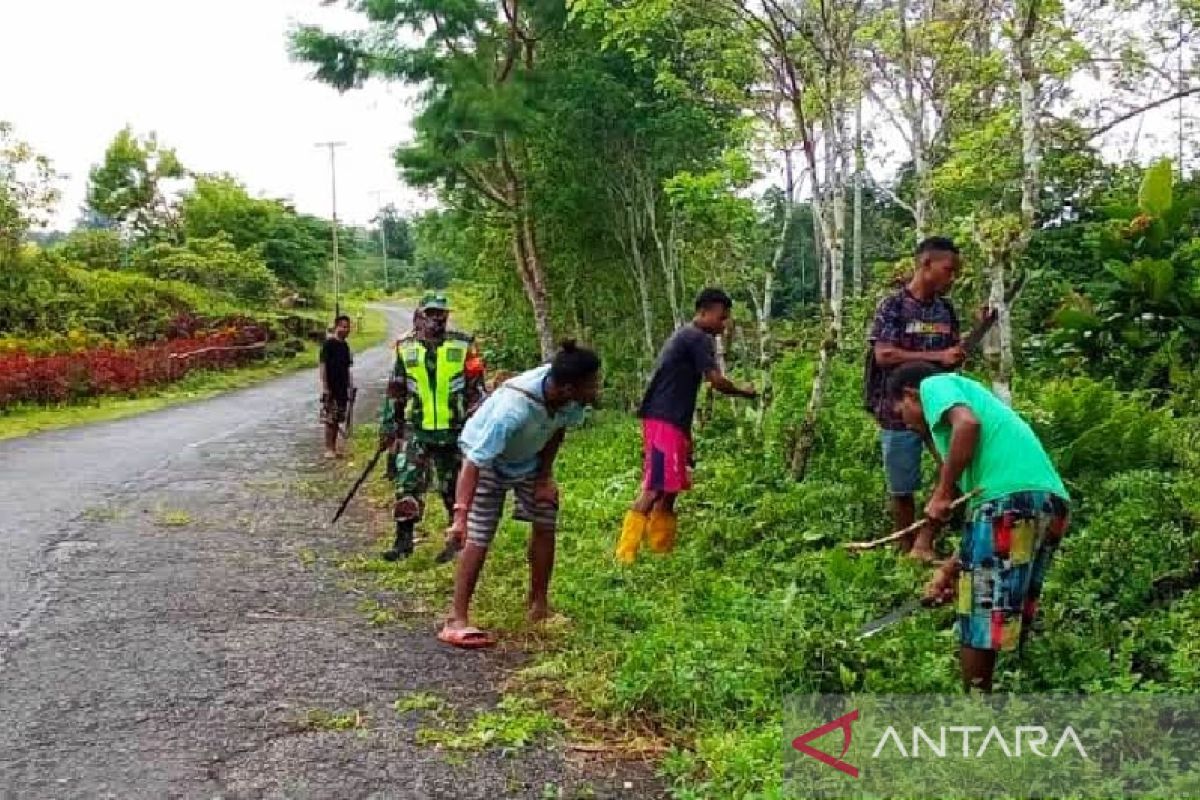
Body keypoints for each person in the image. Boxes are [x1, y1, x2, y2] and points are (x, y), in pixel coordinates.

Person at [887, 361, 1070, 692]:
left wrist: (942, 493)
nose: (907, 425)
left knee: (980, 613)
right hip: (1047, 501)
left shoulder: (935, 385)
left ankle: (976, 707)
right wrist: (953, 567)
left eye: (901, 414)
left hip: (1009, 502)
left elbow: (967, 425)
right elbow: (985, 532)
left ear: (910, 394)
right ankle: (1015, 691)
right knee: (1006, 606)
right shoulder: (979, 445)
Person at [438, 341, 601, 649]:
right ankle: (456, 618)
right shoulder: (512, 410)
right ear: (568, 388)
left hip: (529, 460)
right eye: (592, 384)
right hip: (488, 460)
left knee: (546, 516)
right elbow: (474, 462)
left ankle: (538, 606)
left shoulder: (570, 398)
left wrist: (544, 477)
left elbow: (557, 429)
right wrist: (460, 516)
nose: (596, 389)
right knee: (479, 534)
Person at [616, 288, 757, 564]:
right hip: (662, 420)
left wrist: (686, 435)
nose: (724, 323)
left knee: (671, 486)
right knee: (656, 485)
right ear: (704, 312)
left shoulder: (688, 335)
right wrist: (744, 391)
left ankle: (661, 547)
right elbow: (715, 381)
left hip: (672, 421)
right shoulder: (697, 338)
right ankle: (625, 554)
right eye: (721, 317)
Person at [866, 237, 964, 561]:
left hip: (940, 410)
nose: (952, 278)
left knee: (954, 473)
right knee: (902, 485)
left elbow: (953, 355)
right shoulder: (892, 306)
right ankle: (906, 548)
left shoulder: (945, 309)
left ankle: (927, 542)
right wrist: (939, 354)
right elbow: (884, 354)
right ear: (926, 265)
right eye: (948, 270)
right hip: (899, 411)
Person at [378, 293, 485, 561]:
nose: (436, 320)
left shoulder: (463, 346)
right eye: (431, 314)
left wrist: (478, 422)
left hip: (454, 429)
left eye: (441, 314)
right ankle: (403, 543)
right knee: (407, 484)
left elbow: (477, 389)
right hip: (417, 429)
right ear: (420, 316)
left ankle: (457, 542)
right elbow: (395, 389)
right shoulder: (405, 348)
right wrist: (390, 425)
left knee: (453, 490)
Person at [319, 314, 354, 459]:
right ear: (336, 327)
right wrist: (326, 387)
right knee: (330, 419)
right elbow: (323, 366)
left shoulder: (345, 346)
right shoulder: (329, 344)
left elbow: (347, 368)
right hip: (332, 387)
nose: (346, 330)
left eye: (348, 327)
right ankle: (329, 448)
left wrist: (351, 386)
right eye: (343, 326)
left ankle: (333, 448)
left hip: (342, 388)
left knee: (338, 417)